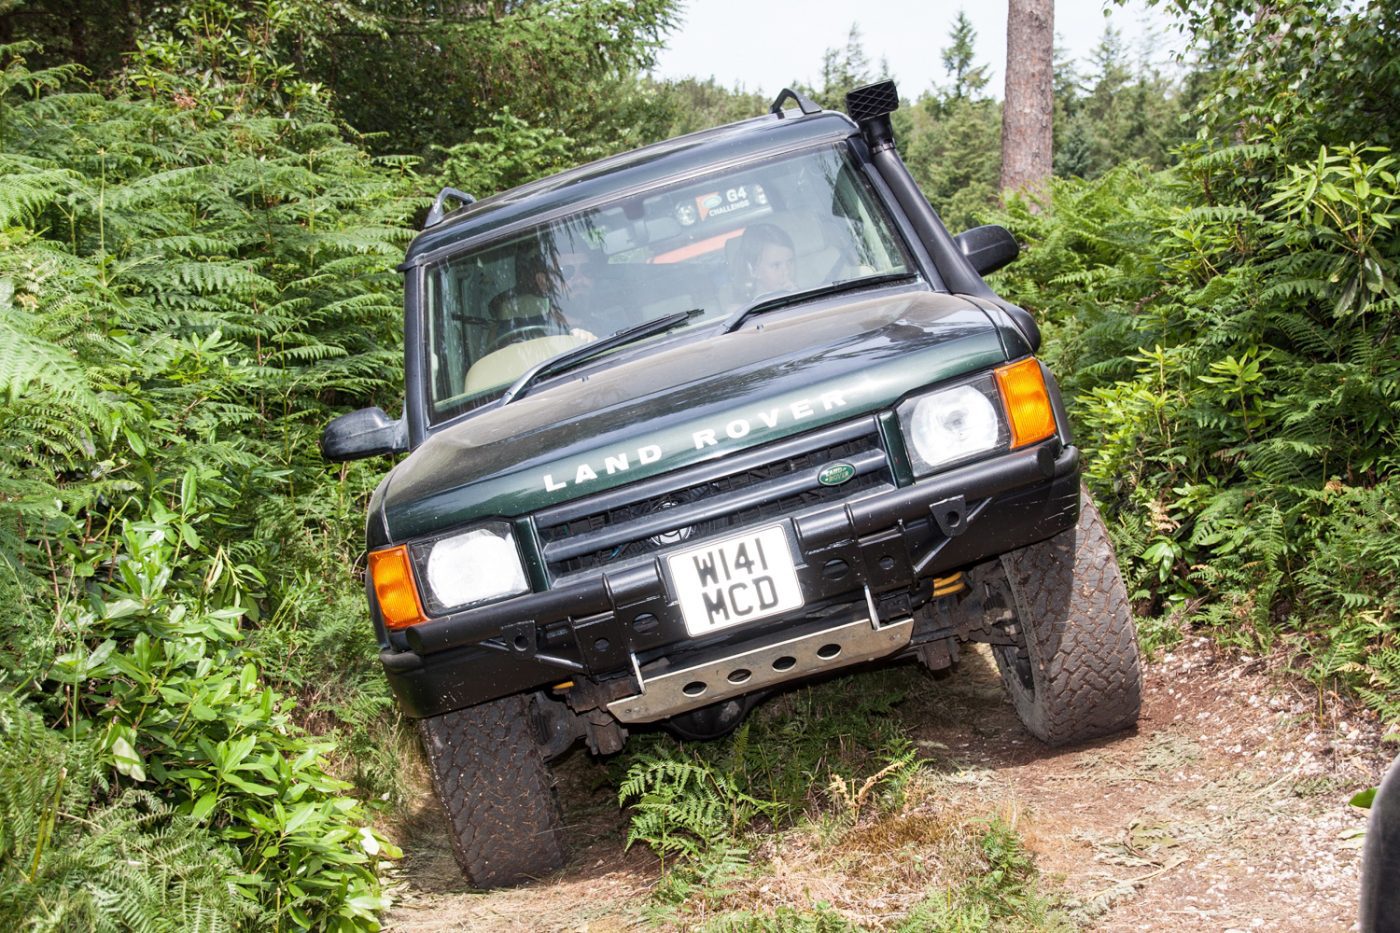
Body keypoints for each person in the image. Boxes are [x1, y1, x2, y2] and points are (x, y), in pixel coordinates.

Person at [737, 222, 798, 301]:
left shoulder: (810, 295)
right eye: (776, 265)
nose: (786, 271)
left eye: (790, 262)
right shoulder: (742, 311)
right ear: (753, 270)